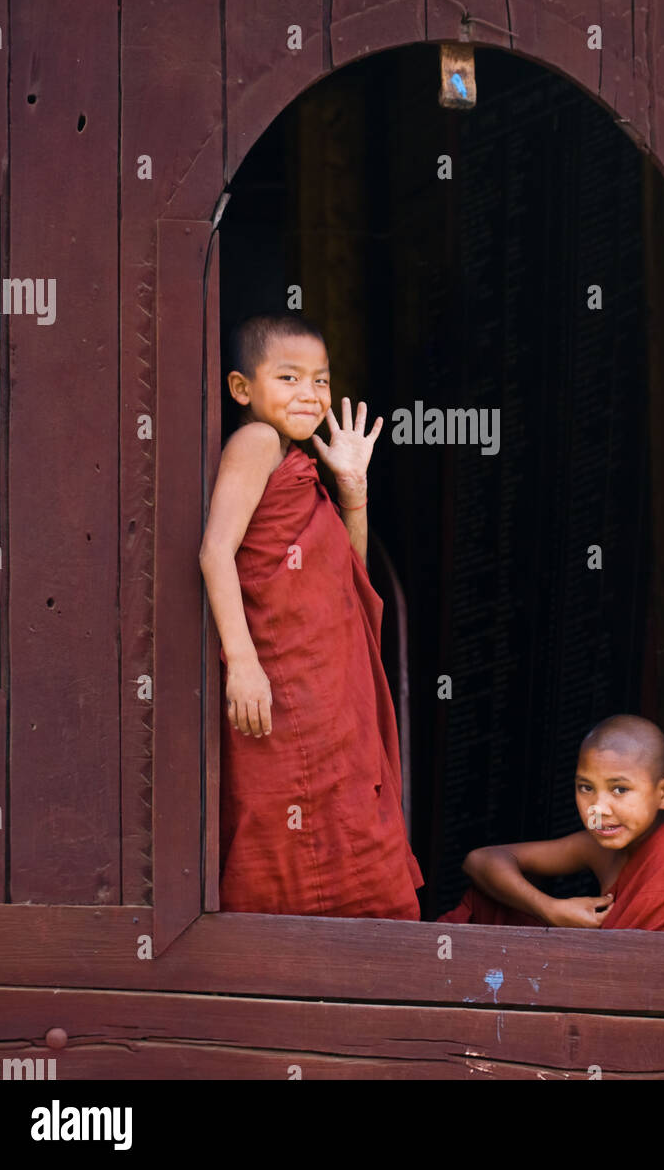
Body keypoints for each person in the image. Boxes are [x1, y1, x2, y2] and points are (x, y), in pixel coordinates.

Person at [199, 311, 423, 919]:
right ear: (242, 389)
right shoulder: (258, 442)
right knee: (285, 823)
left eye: (321, 381)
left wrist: (353, 488)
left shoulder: (299, 464)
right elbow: (215, 552)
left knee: (349, 816)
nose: (310, 395)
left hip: (328, 692)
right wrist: (241, 664)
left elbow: (349, 573)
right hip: (280, 685)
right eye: (290, 377)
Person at [438, 715, 664, 930]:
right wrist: (550, 909)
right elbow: (480, 860)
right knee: (490, 902)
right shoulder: (597, 848)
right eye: (586, 788)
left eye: (619, 790)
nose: (598, 809)